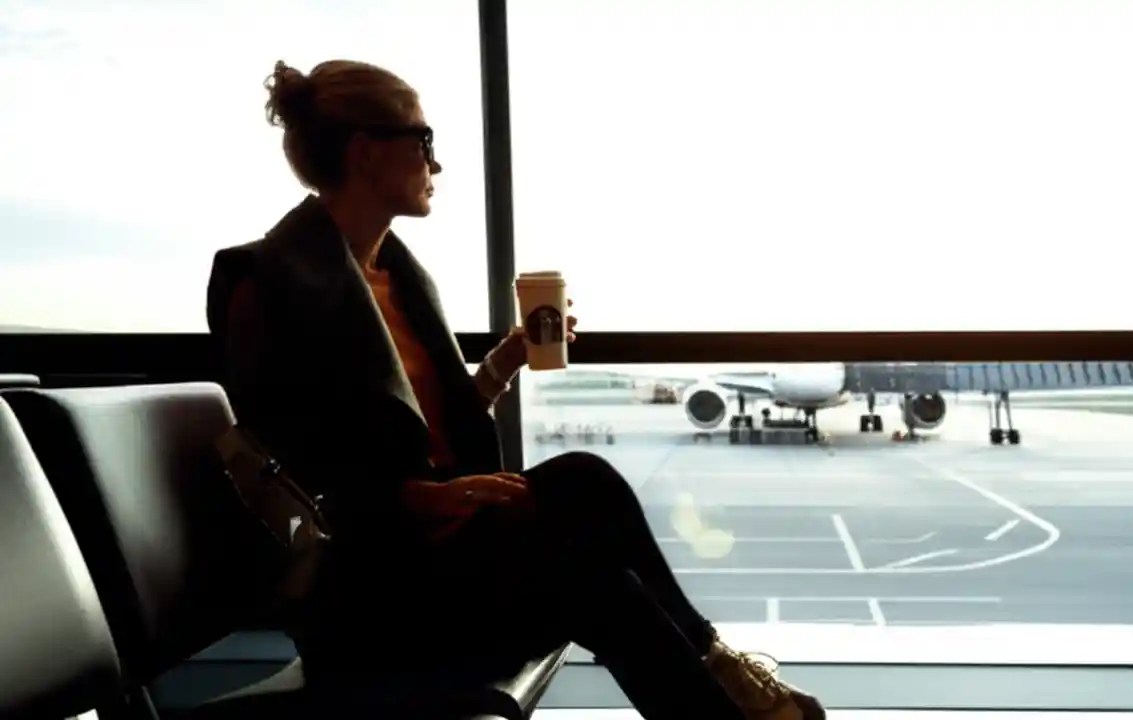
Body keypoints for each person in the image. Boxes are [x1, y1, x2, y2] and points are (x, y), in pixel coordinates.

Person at [205, 58, 825, 720]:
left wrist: (500, 366)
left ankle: (716, 668)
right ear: (365, 151)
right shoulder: (266, 285)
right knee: (593, 573)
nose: (436, 164)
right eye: (423, 139)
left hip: (439, 560)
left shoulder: (392, 278)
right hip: (372, 595)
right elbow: (293, 477)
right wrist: (422, 497)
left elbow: (411, 433)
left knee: (586, 493)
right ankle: (724, 685)